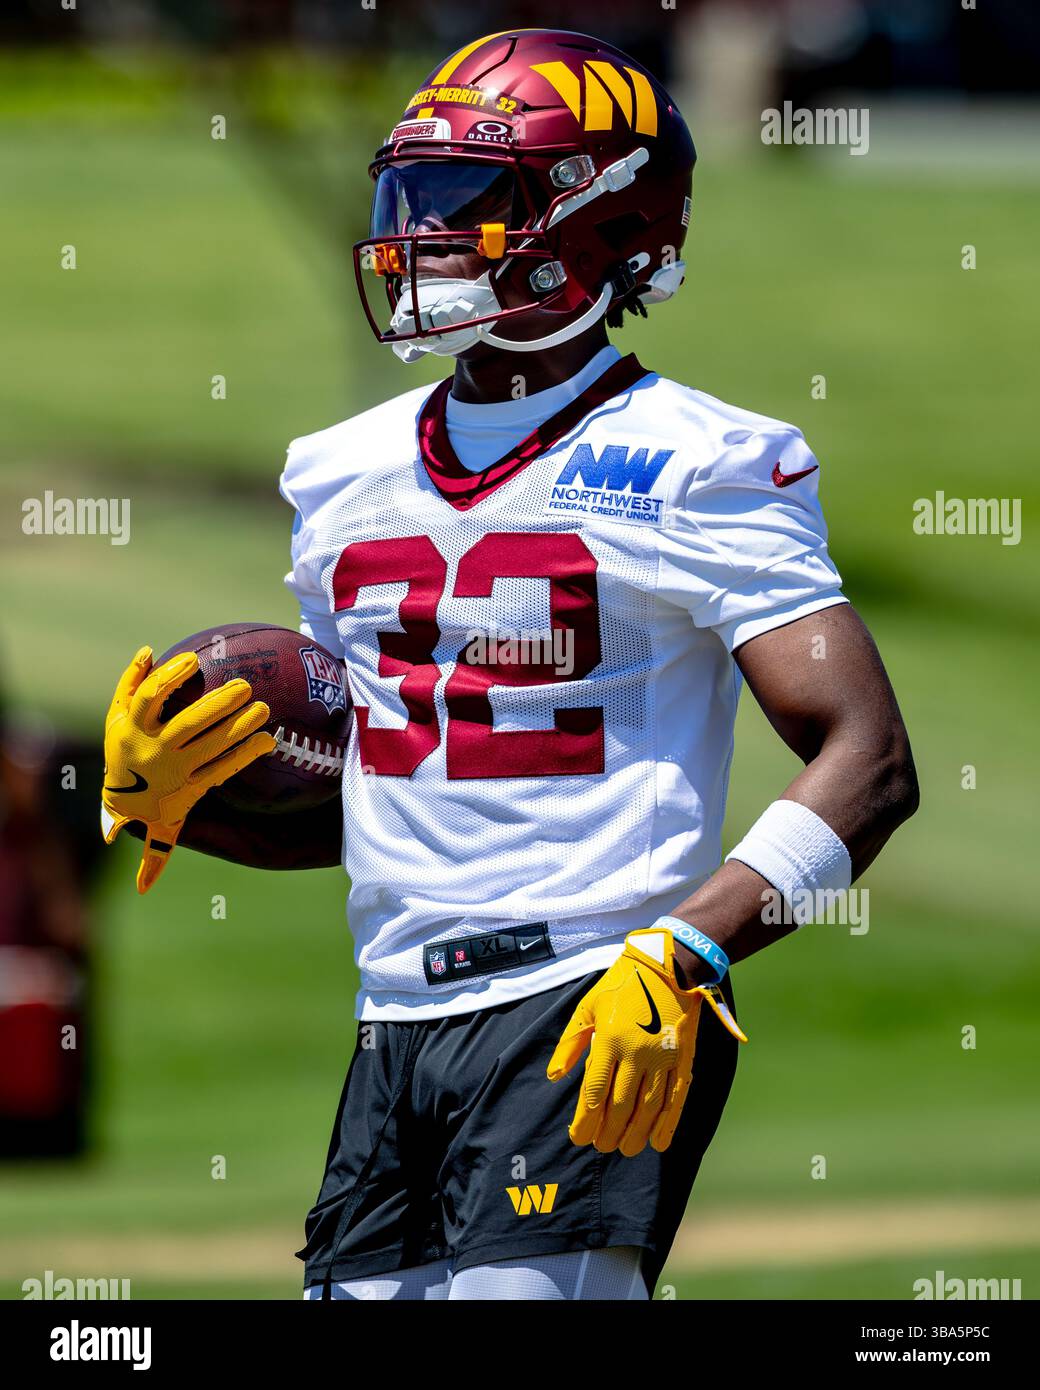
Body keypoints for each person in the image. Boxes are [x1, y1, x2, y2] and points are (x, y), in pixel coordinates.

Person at [101, 29, 918, 1301]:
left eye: (468, 199)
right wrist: (190, 786)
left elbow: (866, 761)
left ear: (600, 221)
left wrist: (684, 951)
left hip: (591, 1002)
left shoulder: (698, 459)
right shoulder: (339, 470)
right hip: (394, 1020)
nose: (418, 234)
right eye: (408, 196)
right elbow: (411, 769)